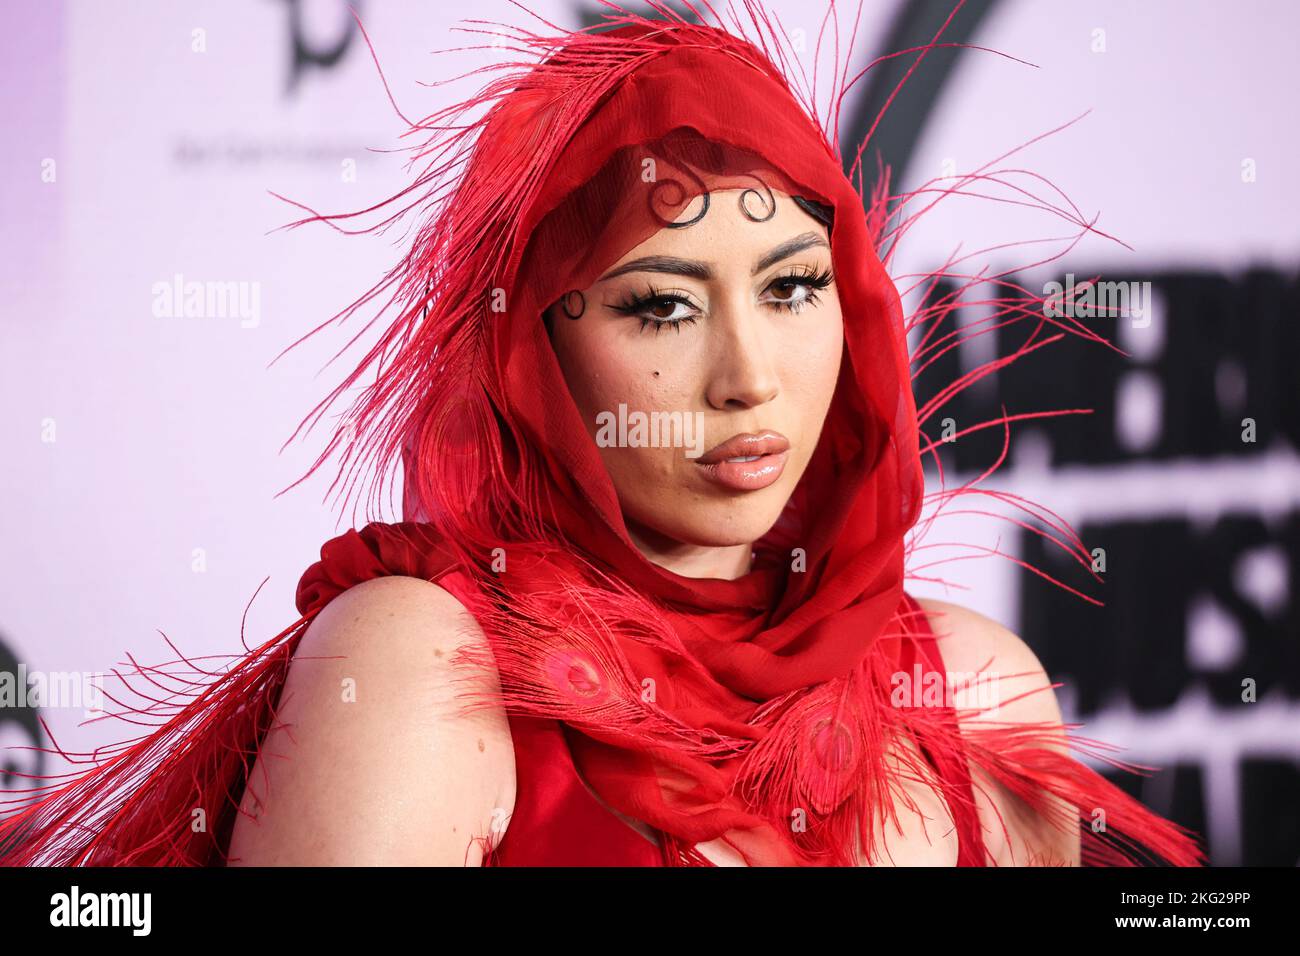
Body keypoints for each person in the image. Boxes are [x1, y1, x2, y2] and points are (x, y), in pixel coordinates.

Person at [0, 3, 1204, 867]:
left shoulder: (976, 693)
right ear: (532, 349)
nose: (748, 378)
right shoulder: (424, 666)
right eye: (662, 306)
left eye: (792, 287)